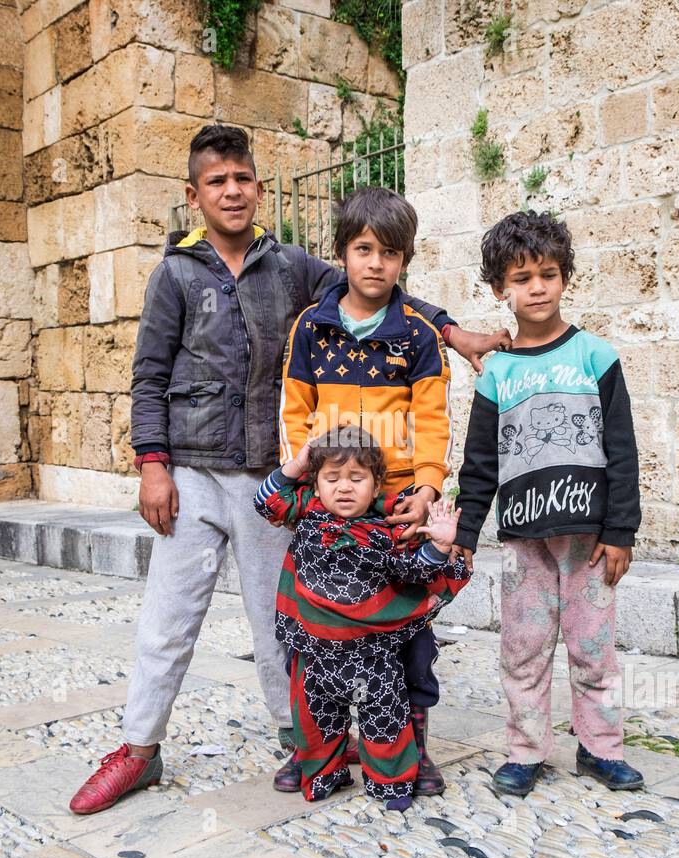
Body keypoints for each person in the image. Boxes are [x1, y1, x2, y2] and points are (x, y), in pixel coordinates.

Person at [69, 125, 507, 814]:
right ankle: (137, 750)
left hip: (273, 485)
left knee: (284, 621)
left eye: (242, 177)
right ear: (195, 195)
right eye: (217, 181)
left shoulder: (294, 267)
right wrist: (152, 466)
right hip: (189, 473)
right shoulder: (175, 274)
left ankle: (302, 740)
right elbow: (148, 375)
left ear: (259, 188)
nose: (232, 190)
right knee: (167, 618)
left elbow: (388, 294)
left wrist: (457, 335)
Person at [452, 210, 645, 796]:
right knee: (524, 648)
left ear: (566, 278)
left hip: (589, 542)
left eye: (549, 273)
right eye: (522, 277)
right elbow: (480, 465)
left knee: (593, 649)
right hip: (523, 542)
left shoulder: (596, 357)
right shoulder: (498, 373)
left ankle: (600, 749)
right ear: (499, 289)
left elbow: (623, 450)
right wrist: (463, 536)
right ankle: (525, 751)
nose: (536, 287)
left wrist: (621, 531)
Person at [278, 186, 458, 796]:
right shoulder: (312, 328)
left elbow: (432, 418)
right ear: (342, 253)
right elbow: (295, 412)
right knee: (314, 633)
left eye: (389, 252)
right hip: (328, 501)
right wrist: (304, 478)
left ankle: (412, 747)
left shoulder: (417, 335)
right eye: (363, 249)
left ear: (404, 260)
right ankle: (315, 748)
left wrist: (429, 486)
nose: (375, 263)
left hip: (397, 501)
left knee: (408, 635)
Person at [254, 430, 470, 811]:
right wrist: (301, 460)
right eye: (332, 478)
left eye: (357, 479)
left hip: (373, 654)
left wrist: (438, 546)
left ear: (375, 486)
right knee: (316, 720)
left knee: (385, 717)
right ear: (316, 485)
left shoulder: (389, 529)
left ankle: (391, 783)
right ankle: (325, 772)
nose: (344, 488)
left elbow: (414, 571)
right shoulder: (306, 512)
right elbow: (265, 501)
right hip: (315, 651)